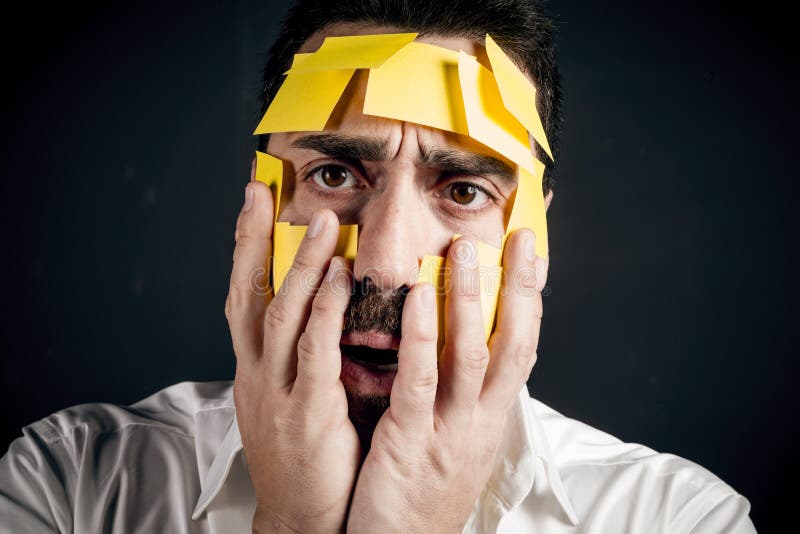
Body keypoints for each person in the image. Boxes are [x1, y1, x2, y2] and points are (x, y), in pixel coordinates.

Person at [0, 1, 756, 533]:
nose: (388, 264)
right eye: (334, 174)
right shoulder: (69, 489)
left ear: (534, 240)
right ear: (257, 209)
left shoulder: (675, 520)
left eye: (463, 190)